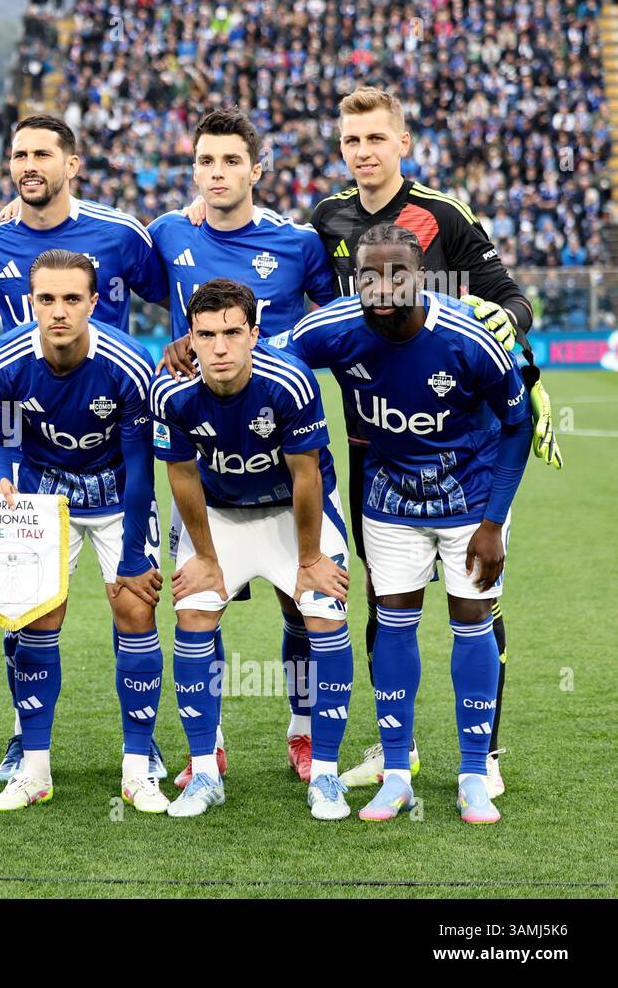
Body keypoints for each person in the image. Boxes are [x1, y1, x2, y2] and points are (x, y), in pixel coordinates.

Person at [309, 87, 556, 796]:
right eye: (352, 140)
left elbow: (512, 296)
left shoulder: (443, 215)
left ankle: (489, 754)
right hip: (373, 441)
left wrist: (502, 327)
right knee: (387, 598)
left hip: (457, 440)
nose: (363, 152)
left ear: (403, 143)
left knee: (476, 599)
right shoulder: (328, 219)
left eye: (375, 139)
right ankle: (400, 755)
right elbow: (312, 312)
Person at [279, 224, 531, 824]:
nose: (383, 286)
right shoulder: (331, 328)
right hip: (389, 500)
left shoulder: (467, 340)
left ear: (423, 275)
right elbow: (273, 367)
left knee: (471, 619)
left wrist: (494, 522)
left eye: (398, 273)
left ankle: (474, 774)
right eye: (369, 274)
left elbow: (517, 425)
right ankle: (396, 777)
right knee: (392, 621)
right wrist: (192, 350)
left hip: (470, 503)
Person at [0, 113, 170, 783]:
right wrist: (2, 480)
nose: (29, 162)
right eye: (18, 152)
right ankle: (27, 742)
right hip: (40, 471)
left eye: (43, 152)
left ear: (71, 163)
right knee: (26, 612)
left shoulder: (120, 236)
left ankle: (144, 746)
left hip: (112, 458)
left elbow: (178, 298)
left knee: (135, 600)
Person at [149, 108, 336, 786]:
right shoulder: (169, 233)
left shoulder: (298, 243)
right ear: (192, 170)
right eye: (206, 162)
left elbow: (338, 318)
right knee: (202, 596)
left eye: (232, 161)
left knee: (301, 602)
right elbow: (130, 296)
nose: (218, 173)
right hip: (205, 452)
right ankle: (210, 745)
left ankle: (305, 732)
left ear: (258, 169)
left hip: (284, 448)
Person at [151, 279, 352, 820]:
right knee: (192, 616)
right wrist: (207, 558)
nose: (219, 347)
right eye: (206, 334)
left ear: (254, 335)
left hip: (294, 513)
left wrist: (310, 560)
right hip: (218, 517)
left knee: (324, 620)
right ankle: (205, 771)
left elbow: (307, 476)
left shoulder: (289, 381)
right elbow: (183, 478)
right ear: (189, 337)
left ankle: (325, 772)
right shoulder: (170, 391)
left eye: (232, 333)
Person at [0, 249, 164, 812]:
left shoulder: (128, 364)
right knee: (38, 618)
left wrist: (133, 554)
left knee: (134, 609)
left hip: (115, 493)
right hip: (44, 494)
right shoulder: (4, 362)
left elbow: (140, 464)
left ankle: (138, 765)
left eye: (72, 299)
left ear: (94, 301)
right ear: (31, 301)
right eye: (46, 299)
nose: (59, 311)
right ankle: (34, 767)